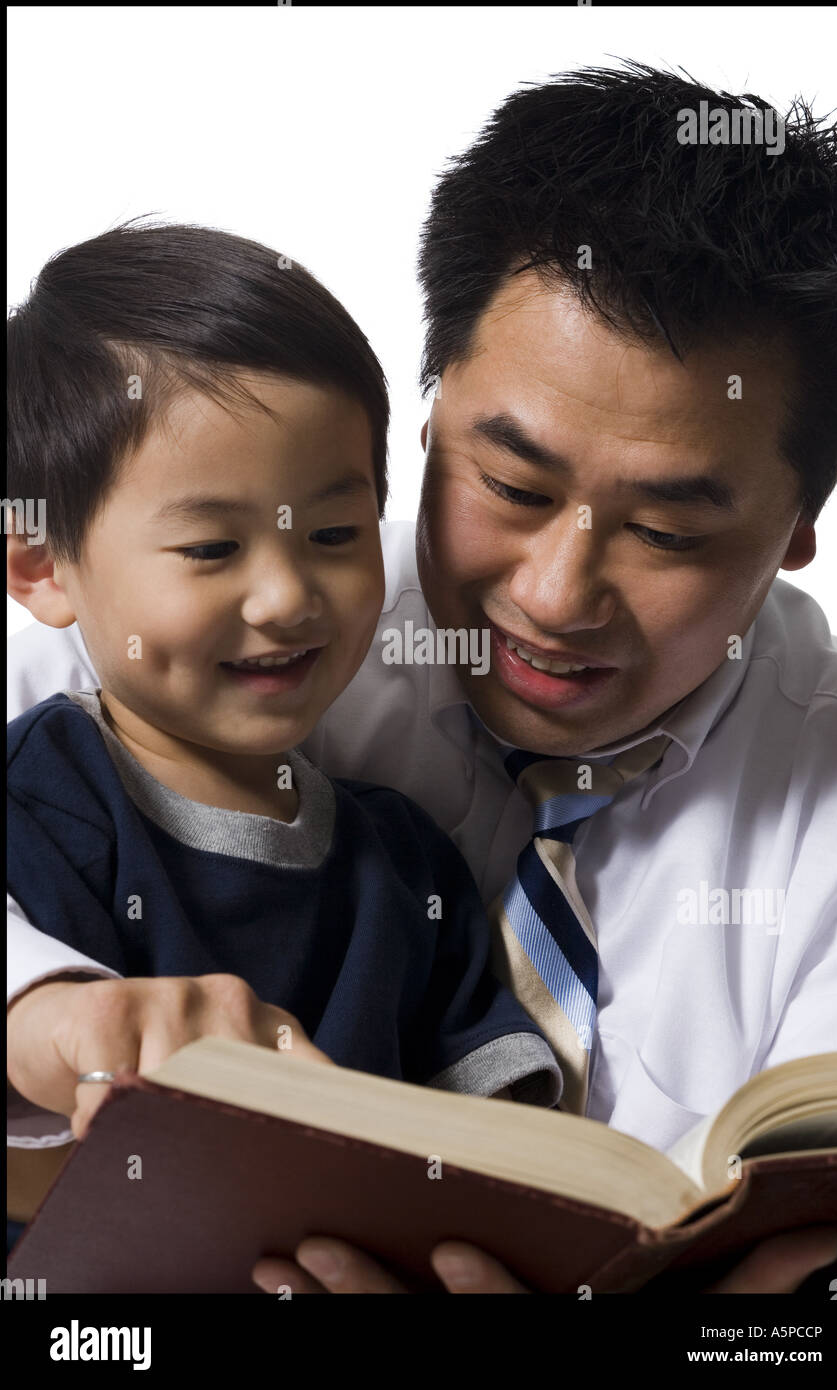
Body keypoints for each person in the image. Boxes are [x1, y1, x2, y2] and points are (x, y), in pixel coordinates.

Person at [7, 62, 837, 1294]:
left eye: (669, 532)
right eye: (511, 487)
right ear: (425, 417)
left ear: (795, 527)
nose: (557, 595)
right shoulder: (209, 637)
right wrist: (37, 1009)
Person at [5, 221, 564, 1257]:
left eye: (334, 535)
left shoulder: (403, 854)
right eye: (212, 546)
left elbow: (492, 1129)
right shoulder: (41, 804)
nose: (285, 595)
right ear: (43, 566)